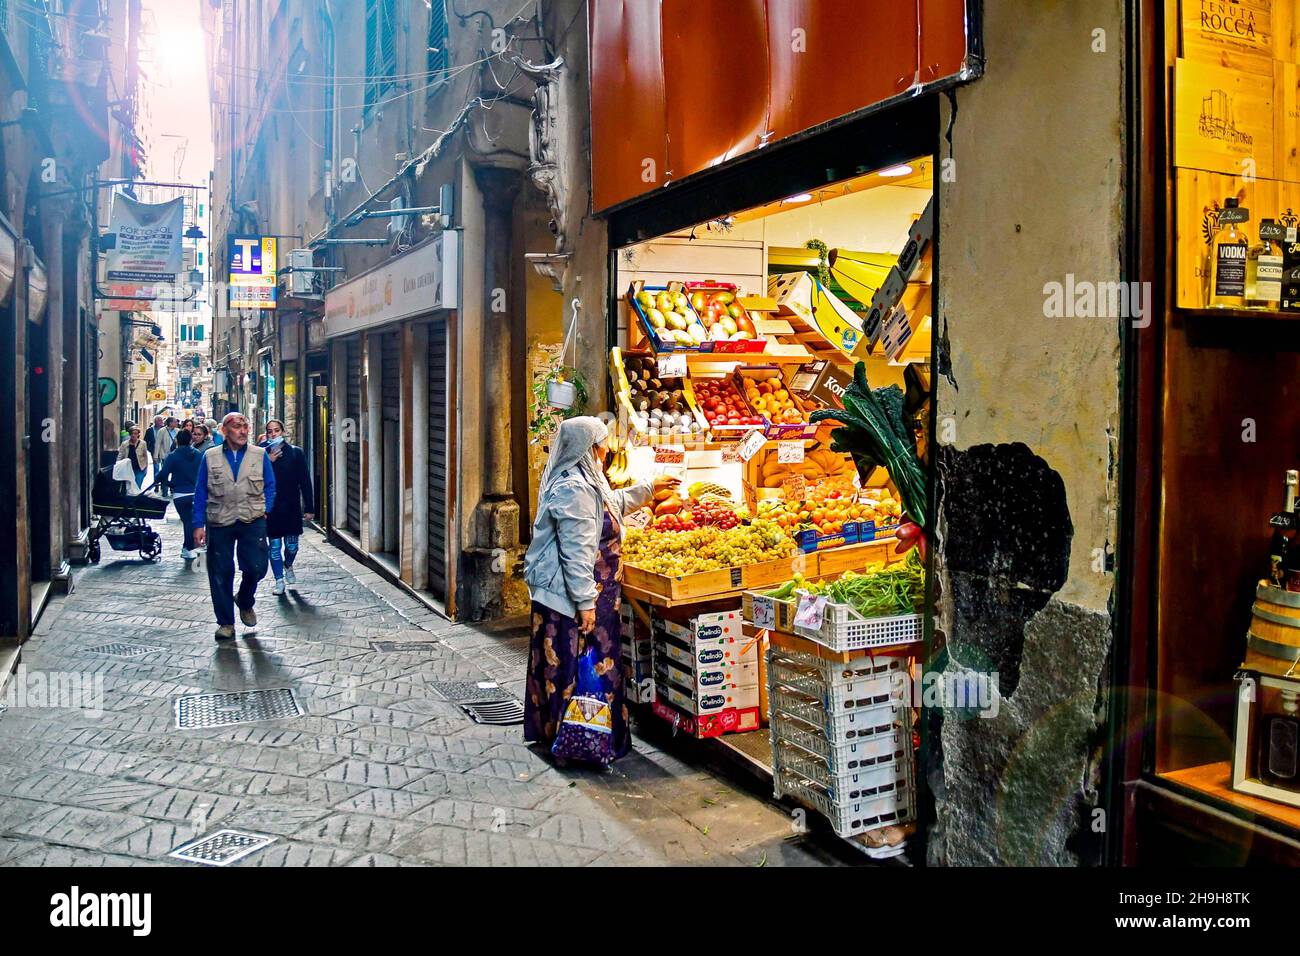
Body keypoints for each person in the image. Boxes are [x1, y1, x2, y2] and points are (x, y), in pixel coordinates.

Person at [522, 417, 678, 763]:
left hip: (595, 594)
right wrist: (585, 603)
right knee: (574, 669)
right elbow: (577, 554)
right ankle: (575, 743)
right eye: (602, 445)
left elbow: (609, 509)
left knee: (586, 667)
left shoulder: (587, 482)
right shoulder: (574, 489)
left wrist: (649, 488)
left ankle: (579, 737)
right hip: (572, 600)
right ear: (588, 448)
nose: (607, 451)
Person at [192, 412, 276, 641]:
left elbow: (270, 485)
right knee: (220, 572)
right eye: (237, 427)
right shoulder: (210, 457)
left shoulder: (260, 455)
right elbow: (200, 491)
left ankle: (245, 599)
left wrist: (266, 509)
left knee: (257, 566)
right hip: (220, 519)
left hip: (253, 519)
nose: (243, 431)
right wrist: (197, 524)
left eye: (245, 426)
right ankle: (226, 623)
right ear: (225, 431)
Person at [261, 419, 315, 595]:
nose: (273, 434)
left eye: (276, 430)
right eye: (270, 431)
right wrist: (268, 461)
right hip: (271, 508)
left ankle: (288, 564)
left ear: (283, 432)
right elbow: (253, 480)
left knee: (292, 546)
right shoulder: (261, 454)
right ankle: (279, 580)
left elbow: (305, 480)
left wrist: (309, 507)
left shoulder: (295, 453)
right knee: (274, 547)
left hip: (291, 506)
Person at [157, 428, 202, 559]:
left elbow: (163, 474)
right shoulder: (198, 454)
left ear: (177, 440)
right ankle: (188, 547)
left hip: (180, 494)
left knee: (187, 521)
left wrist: (170, 484)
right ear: (190, 440)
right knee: (191, 521)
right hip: (195, 492)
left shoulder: (173, 456)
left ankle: (187, 548)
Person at [117, 424, 151, 491]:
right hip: (128, 469)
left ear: (138, 434)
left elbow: (145, 456)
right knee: (129, 488)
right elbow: (120, 456)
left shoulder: (143, 443)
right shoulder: (124, 444)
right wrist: (118, 465)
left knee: (137, 487)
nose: (133, 435)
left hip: (140, 468)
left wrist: (146, 468)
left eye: (135, 433)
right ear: (129, 434)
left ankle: (136, 500)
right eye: (132, 433)